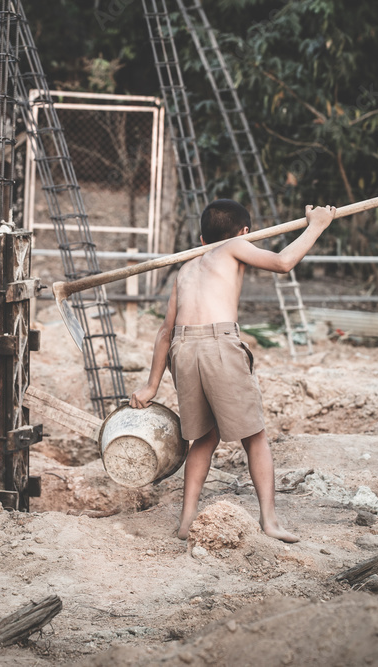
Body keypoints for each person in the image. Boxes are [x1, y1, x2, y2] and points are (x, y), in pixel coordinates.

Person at [129, 199, 336, 542]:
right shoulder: (236, 246)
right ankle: (269, 521)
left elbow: (165, 331)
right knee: (255, 436)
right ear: (244, 232)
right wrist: (316, 225)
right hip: (219, 344)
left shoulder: (186, 267)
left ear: (200, 239)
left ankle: (185, 522)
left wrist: (152, 385)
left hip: (183, 349)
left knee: (204, 438)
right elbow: (284, 262)